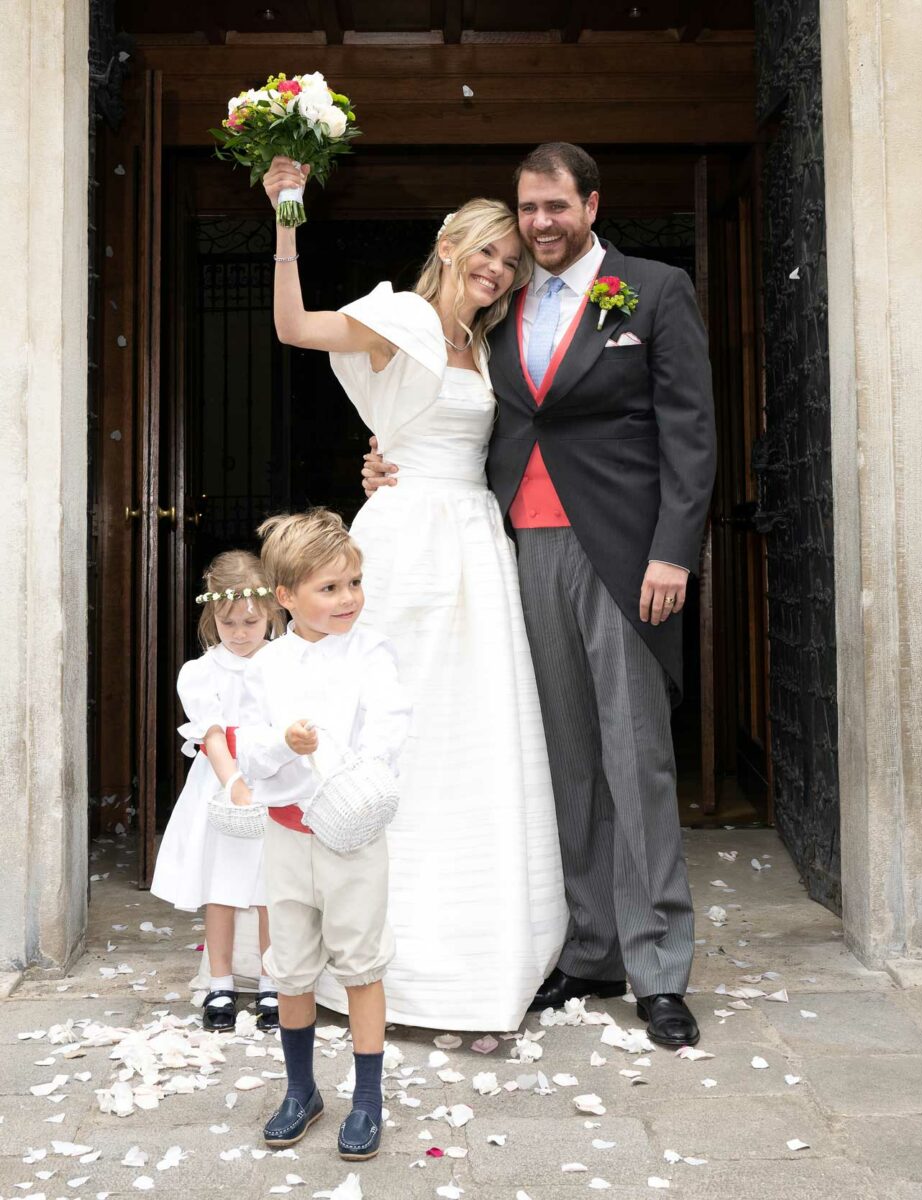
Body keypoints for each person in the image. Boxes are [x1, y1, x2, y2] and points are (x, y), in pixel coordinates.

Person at [365, 143, 717, 1047]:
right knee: (563, 755)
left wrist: (673, 552)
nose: (540, 224)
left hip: (624, 555)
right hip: (518, 549)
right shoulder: (505, 300)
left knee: (634, 757)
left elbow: (690, 430)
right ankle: (591, 947)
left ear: (590, 204)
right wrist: (389, 461)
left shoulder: (652, 288)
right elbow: (453, 401)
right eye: (528, 209)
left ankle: (657, 966)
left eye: (556, 206)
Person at [257, 157, 568, 1031]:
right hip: (405, 542)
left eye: (511, 260)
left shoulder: (490, 345)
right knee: (391, 728)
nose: (499, 269)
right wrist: (287, 213)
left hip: (475, 543)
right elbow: (291, 326)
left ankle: (479, 954)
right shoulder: (398, 319)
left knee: (476, 734)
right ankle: (368, 951)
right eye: (488, 251)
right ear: (448, 245)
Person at [236, 508, 411, 1160]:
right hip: (286, 838)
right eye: (329, 588)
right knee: (292, 969)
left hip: (350, 836)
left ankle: (367, 1099)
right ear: (286, 596)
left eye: (354, 583)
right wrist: (285, 743)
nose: (348, 599)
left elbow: (389, 724)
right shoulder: (266, 667)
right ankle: (300, 1089)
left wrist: (355, 775)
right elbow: (250, 751)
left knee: (360, 964)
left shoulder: (370, 652)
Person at [150, 550, 285, 1032]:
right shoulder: (201, 672)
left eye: (250, 621)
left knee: (272, 887)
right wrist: (234, 784)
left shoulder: (285, 663)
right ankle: (221, 984)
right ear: (213, 618)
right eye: (229, 623)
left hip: (274, 780)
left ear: (270, 611)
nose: (241, 632)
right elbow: (211, 736)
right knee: (223, 889)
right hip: (222, 785)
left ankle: (273, 983)